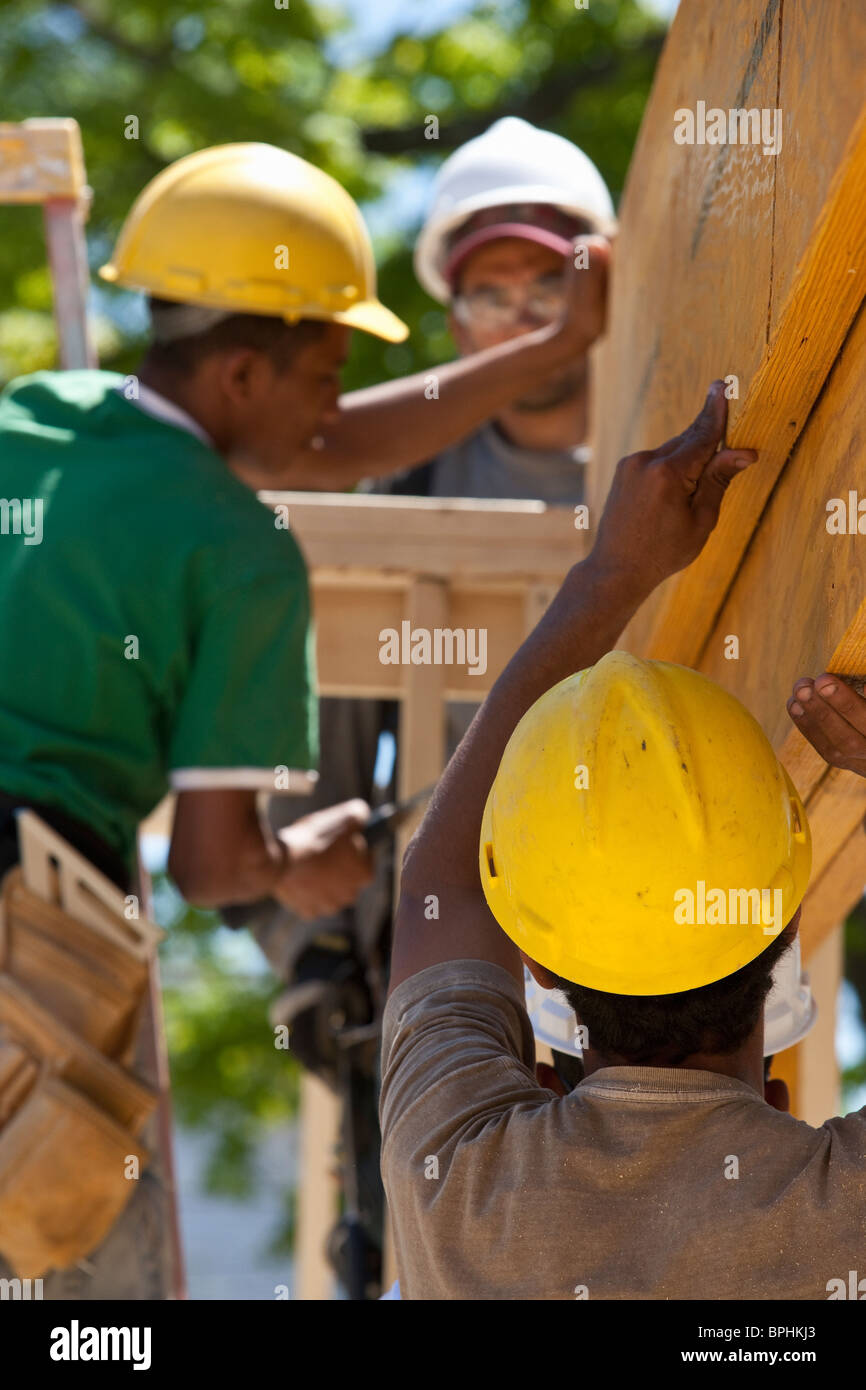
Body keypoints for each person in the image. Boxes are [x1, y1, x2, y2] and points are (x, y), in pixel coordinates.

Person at [0, 140, 409, 1299]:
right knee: (79, 1283)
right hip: (36, 927)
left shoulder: (34, 415)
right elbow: (211, 863)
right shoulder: (241, 551)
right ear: (239, 378)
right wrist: (297, 864)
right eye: (325, 375)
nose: (332, 412)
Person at [379, 380, 864, 1300]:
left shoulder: (463, 1193)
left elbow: (433, 895)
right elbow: (436, 893)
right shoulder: (448, 1178)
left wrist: (612, 575)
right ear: (788, 918)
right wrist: (611, 573)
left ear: (542, 964)